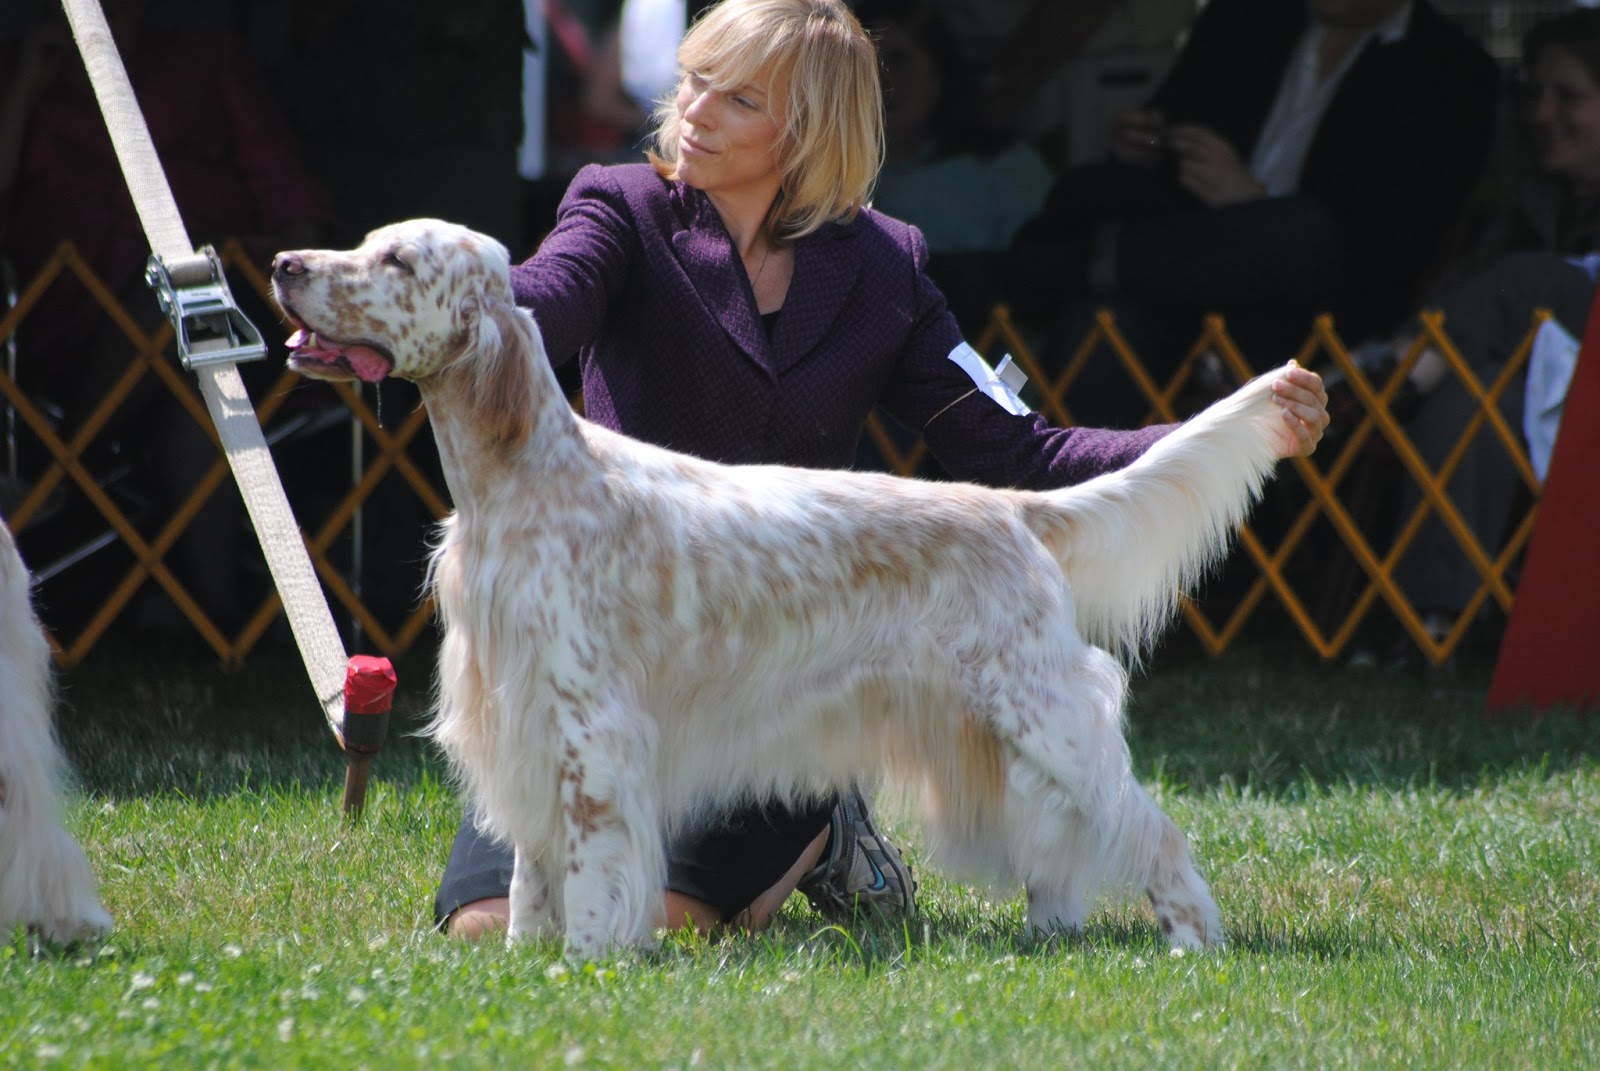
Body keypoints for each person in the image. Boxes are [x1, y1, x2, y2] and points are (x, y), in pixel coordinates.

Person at [435, 0, 1331, 942]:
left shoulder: (881, 264)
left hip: (782, 695)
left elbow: (1017, 454)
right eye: (695, 77)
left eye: (738, 97)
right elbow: (545, 303)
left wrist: (1223, 431)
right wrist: (448, 301)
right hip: (617, 680)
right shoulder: (619, 209)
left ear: (809, 130)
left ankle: (825, 828)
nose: (693, 109)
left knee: (659, 917)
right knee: (489, 925)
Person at [1008, 0, 1500, 429]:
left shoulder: (1452, 70)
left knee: (1303, 229)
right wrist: (1147, 143)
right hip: (1184, 278)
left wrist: (1253, 202)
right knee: (1101, 323)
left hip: (1313, 316)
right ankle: (1095, 528)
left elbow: (1394, 250)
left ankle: (1067, 270)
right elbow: (1170, 129)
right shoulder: (1249, 16)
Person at [1329, 7, 1600, 649]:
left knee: (1532, 279)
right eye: (1536, 94)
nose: (1542, 114)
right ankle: (1435, 627)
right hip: (1554, 395)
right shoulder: (1527, 200)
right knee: (1473, 397)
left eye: (1570, 96)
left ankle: (1386, 375)